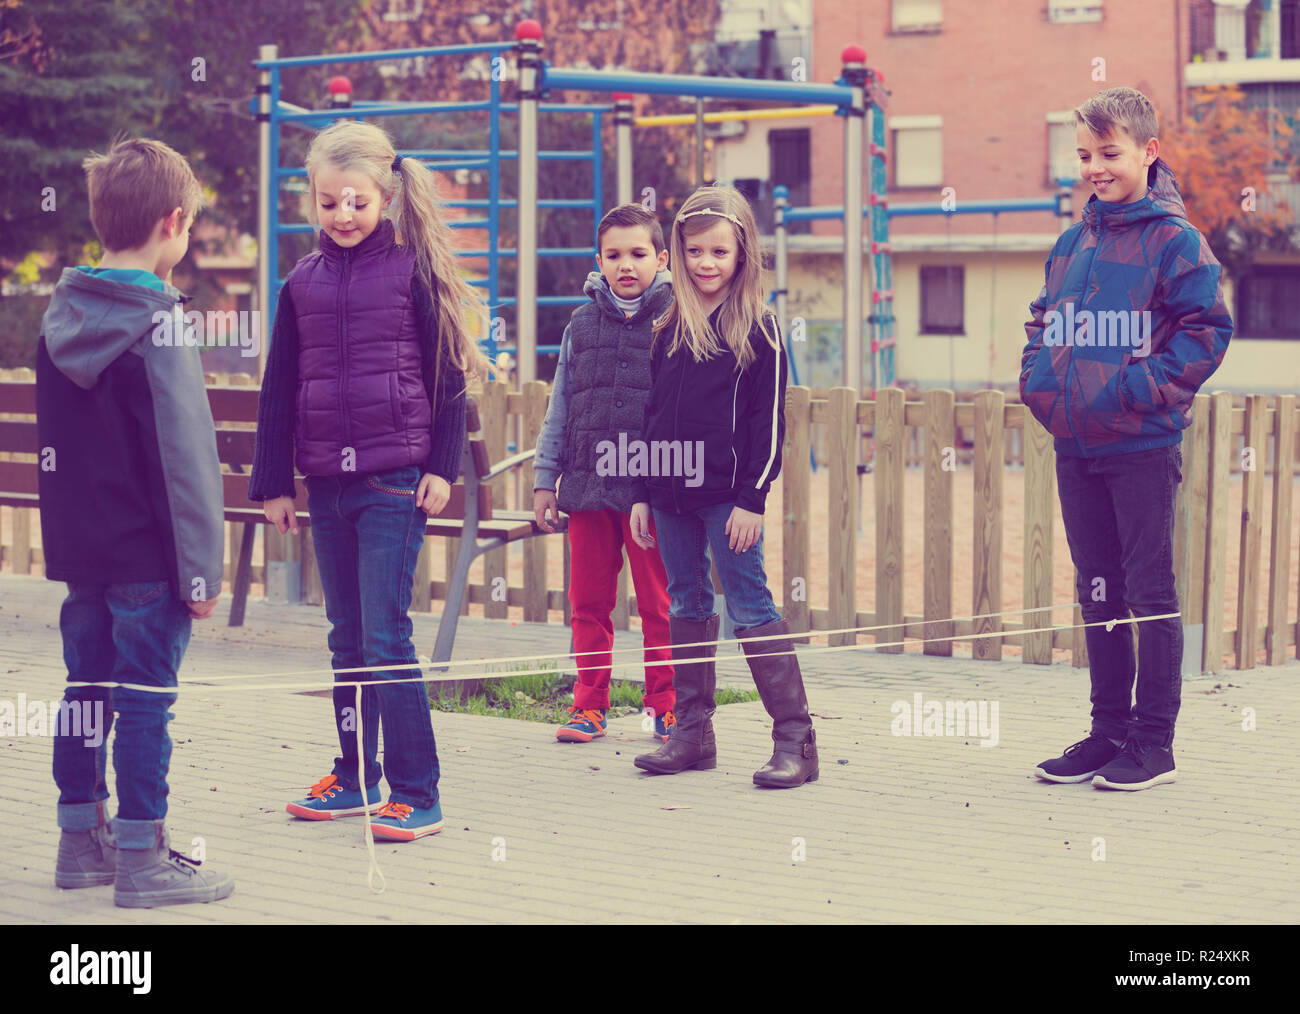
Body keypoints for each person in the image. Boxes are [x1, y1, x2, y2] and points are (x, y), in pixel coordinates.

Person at [250, 121, 487, 840]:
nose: (343, 216)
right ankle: (354, 777)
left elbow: (449, 374)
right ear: (312, 202)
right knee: (346, 637)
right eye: (328, 204)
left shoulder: (412, 274)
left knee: (386, 637)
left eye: (356, 202)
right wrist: (274, 484)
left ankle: (419, 792)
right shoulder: (301, 283)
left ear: (383, 196)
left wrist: (442, 469)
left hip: (395, 481)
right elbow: (278, 387)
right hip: (326, 486)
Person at [38, 136, 234, 906]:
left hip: (83, 555)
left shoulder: (58, 321)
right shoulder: (160, 324)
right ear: (173, 222)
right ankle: (142, 858)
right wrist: (201, 572)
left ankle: (78, 841)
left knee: (86, 686)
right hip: (150, 560)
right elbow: (186, 463)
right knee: (147, 699)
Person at [1020, 87, 1232, 791]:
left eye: (1108, 153)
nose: (1095, 167)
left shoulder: (1177, 242)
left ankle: (1152, 744)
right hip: (1077, 447)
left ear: (1148, 152)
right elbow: (1042, 319)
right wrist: (1039, 384)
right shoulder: (1073, 241)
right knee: (1099, 591)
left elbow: (1207, 332)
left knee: (1149, 592)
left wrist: (1133, 392)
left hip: (1140, 447)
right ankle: (1107, 732)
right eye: (1084, 154)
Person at [629, 186, 817, 789]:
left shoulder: (759, 331)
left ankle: (795, 740)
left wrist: (751, 500)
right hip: (670, 496)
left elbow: (769, 427)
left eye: (719, 252)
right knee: (684, 602)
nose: (705, 263)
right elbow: (652, 416)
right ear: (678, 256)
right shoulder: (666, 330)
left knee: (750, 606)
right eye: (693, 252)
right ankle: (692, 733)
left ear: (741, 256)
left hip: (727, 501)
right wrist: (641, 491)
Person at [533, 204, 677, 744]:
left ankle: (666, 705)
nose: (626, 265)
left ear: (661, 258)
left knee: (660, 604)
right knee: (588, 602)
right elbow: (560, 406)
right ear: (599, 260)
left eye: (638, 254)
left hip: (651, 491)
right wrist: (546, 480)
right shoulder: (581, 324)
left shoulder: (676, 319)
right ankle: (588, 705)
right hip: (588, 488)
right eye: (613, 255)